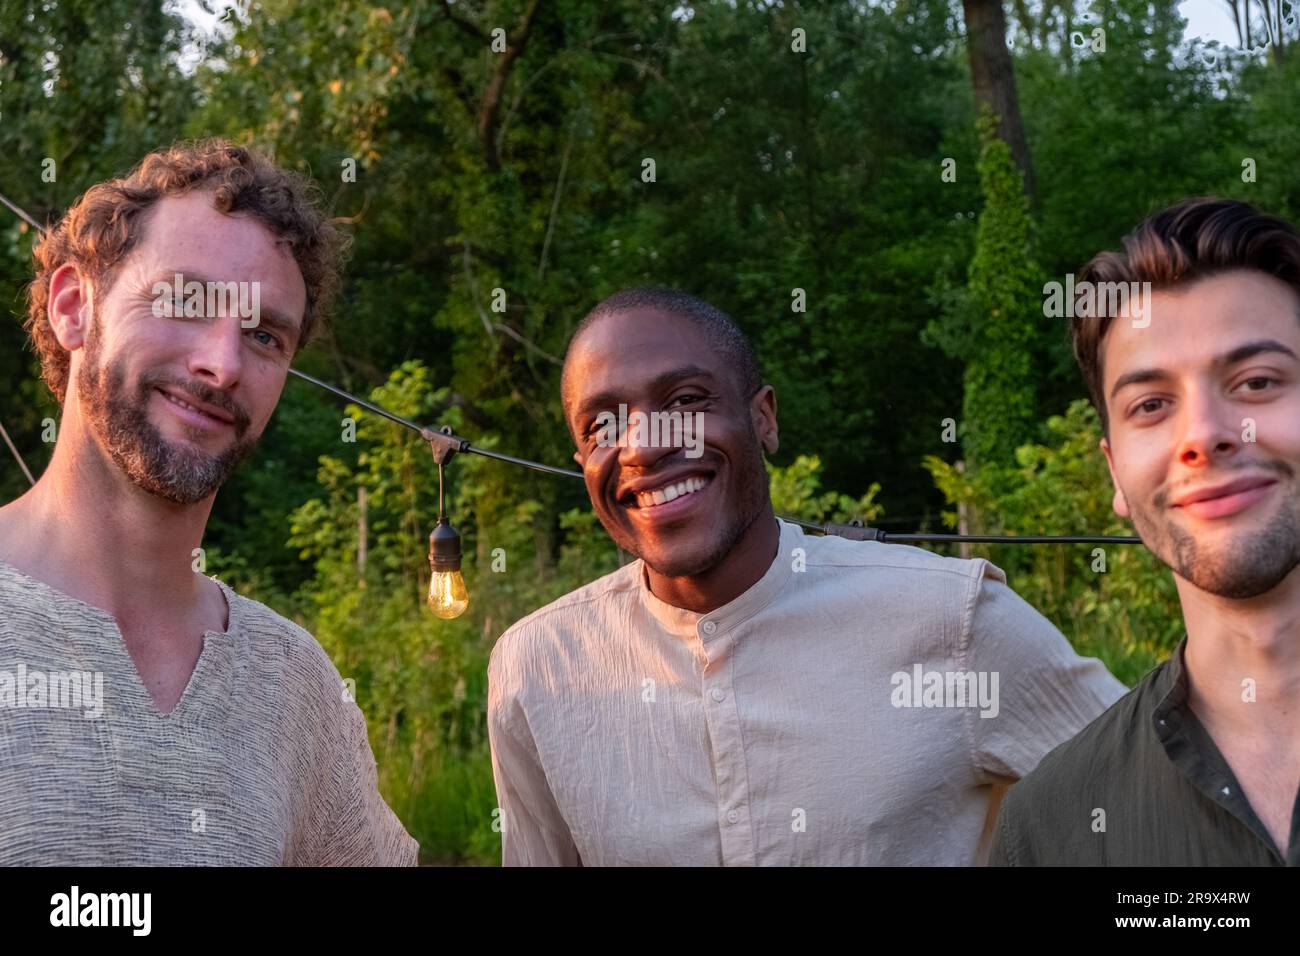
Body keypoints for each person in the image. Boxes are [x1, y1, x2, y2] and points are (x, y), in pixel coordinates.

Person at [487, 286, 1125, 865]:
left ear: (762, 418)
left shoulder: (953, 623)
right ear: (582, 458)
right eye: (602, 423)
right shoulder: (537, 670)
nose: (643, 446)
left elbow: (1156, 803)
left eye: (685, 400)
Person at [0, 139, 417, 865]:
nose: (222, 365)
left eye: (263, 335)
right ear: (74, 308)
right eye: (185, 302)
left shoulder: (292, 684)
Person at [990, 198, 1300, 865]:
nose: (1203, 435)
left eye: (1256, 381)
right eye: (1151, 405)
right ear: (1116, 471)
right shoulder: (1051, 827)